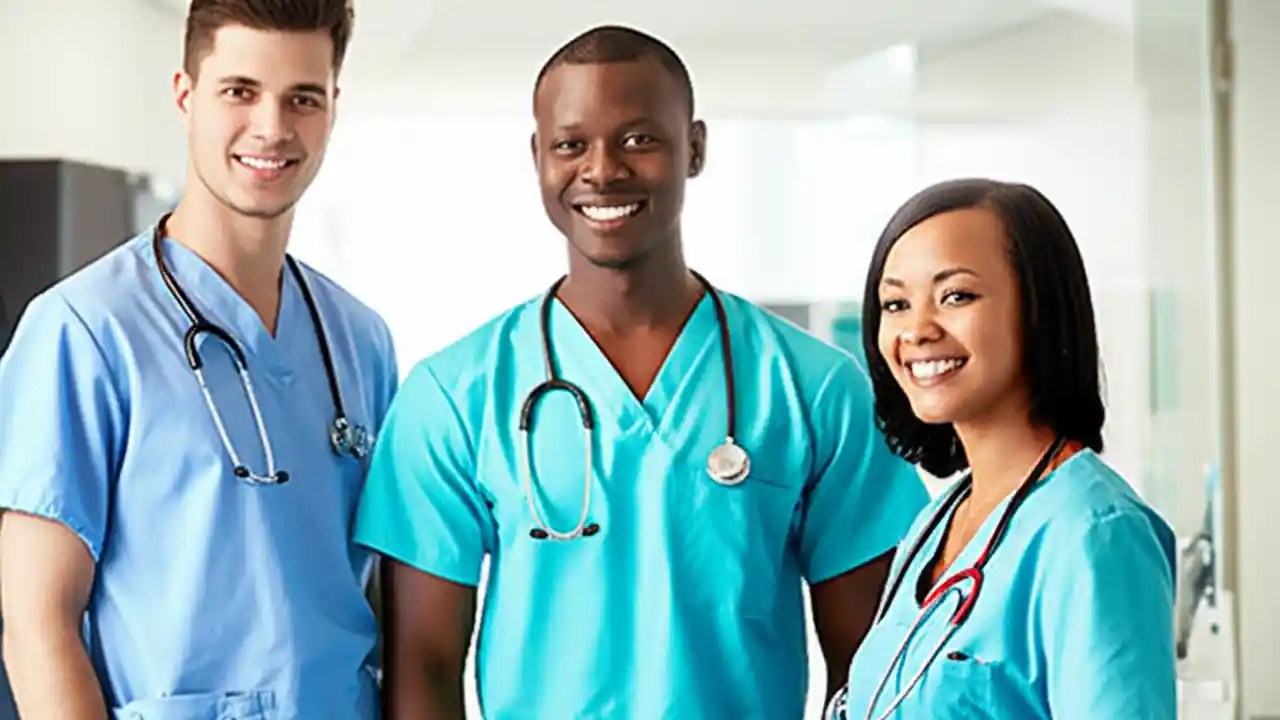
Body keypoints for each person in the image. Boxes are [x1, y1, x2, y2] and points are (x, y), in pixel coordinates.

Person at [353, 24, 929, 720]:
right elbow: (424, 666)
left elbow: (871, 665)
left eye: (638, 139)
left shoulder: (815, 390)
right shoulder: (453, 397)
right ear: (538, 158)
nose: (601, 170)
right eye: (571, 144)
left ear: (695, 148)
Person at [0, 1, 397, 718]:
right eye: (239, 92)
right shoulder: (85, 331)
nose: (272, 128)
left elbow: (380, 593)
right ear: (186, 96)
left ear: (332, 109)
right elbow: (37, 625)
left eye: (301, 99)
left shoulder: (360, 340)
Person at [825, 178, 1177, 719]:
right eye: (895, 303)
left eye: (956, 296)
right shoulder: (938, 521)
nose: (916, 330)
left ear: (1038, 310)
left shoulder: (1094, 535)